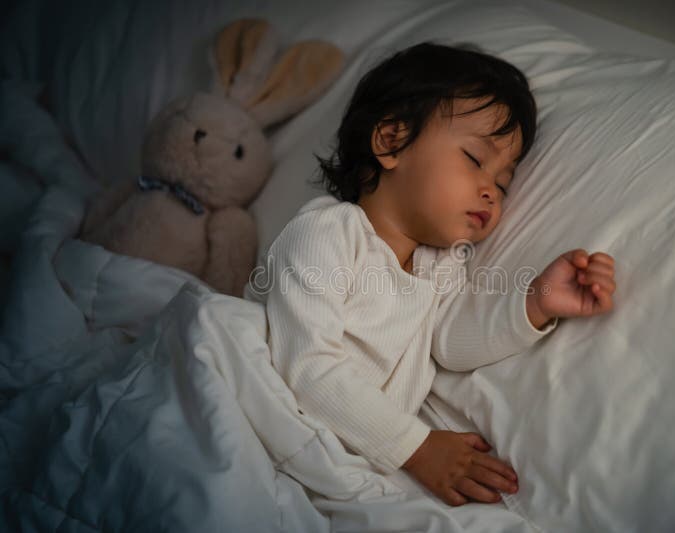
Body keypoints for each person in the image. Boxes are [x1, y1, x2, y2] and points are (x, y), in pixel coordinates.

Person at [247, 41, 616, 507]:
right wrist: (417, 448)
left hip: (337, 455)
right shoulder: (327, 232)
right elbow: (306, 368)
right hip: (263, 414)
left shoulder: (440, 265)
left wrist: (535, 302)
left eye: (503, 183)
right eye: (476, 161)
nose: (491, 191)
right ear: (391, 142)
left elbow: (451, 344)